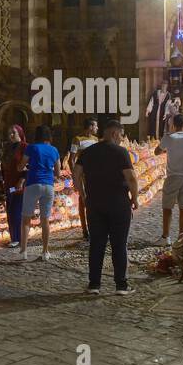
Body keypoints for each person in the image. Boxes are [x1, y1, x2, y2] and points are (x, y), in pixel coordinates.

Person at [73, 119, 139, 295]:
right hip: (118, 203)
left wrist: (83, 194)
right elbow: (131, 178)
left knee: (96, 244)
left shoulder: (88, 152)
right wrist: (135, 198)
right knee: (119, 244)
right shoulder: (121, 152)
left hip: (94, 204)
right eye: (121, 135)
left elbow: (76, 174)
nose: (121, 139)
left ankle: (94, 284)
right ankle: (121, 285)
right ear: (114, 133)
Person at [19, 125, 60, 261]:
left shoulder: (31, 147)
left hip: (32, 184)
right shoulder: (54, 150)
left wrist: (23, 167)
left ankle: (24, 251)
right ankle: (45, 251)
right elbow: (58, 172)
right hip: (48, 186)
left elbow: (21, 165)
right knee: (45, 220)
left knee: (26, 219)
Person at [156, 113, 183, 246]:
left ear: (173, 125)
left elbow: (157, 151)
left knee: (167, 207)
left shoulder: (169, 137)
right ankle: (181, 238)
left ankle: (165, 237)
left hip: (173, 176)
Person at [68, 119, 99, 240]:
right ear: (90, 126)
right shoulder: (77, 139)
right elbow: (71, 159)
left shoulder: (96, 140)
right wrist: (75, 175)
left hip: (95, 174)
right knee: (83, 199)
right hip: (83, 174)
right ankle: (84, 229)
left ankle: (95, 226)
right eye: (95, 126)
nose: (97, 128)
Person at [2, 124, 27, 248]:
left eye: (13, 133)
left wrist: (22, 180)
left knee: (17, 210)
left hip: (19, 185)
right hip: (8, 184)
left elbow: (28, 166)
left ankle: (19, 238)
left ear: (20, 134)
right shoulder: (8, 147)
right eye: (9, 133)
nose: (11, 135)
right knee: (10, 210)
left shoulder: (24, 147)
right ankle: (14, 237)